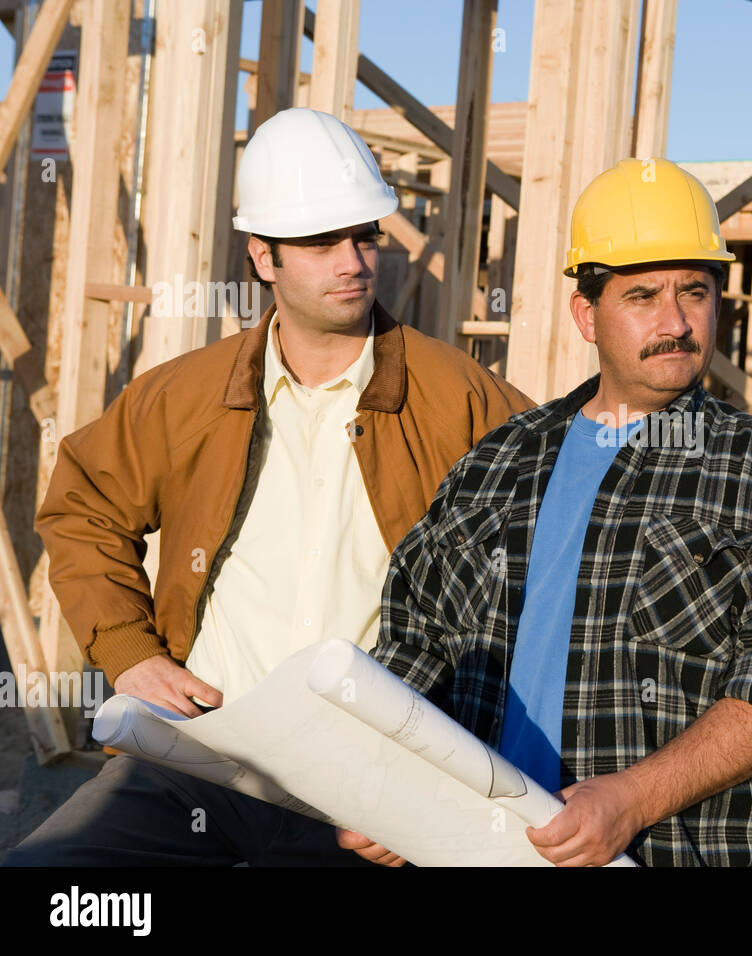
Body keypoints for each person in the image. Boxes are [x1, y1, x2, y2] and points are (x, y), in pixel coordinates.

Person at [3, 108, 533, 866]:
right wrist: (128, 651)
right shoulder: (185, 396)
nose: (352, 260)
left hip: (373, 781)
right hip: (201, 758)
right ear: (263, 256)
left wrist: (453, 770)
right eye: (321, 241)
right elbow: (83, 504)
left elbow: (545, 574)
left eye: (364, 236)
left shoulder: (462, 399)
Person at [368, 157, 752, 867]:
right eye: (643, 296)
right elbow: (416, 643)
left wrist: (633, 798)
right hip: (481, 848)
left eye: (696, 291)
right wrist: (385, 789)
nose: (676, 321)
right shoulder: (497, 462)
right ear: (586, 313)